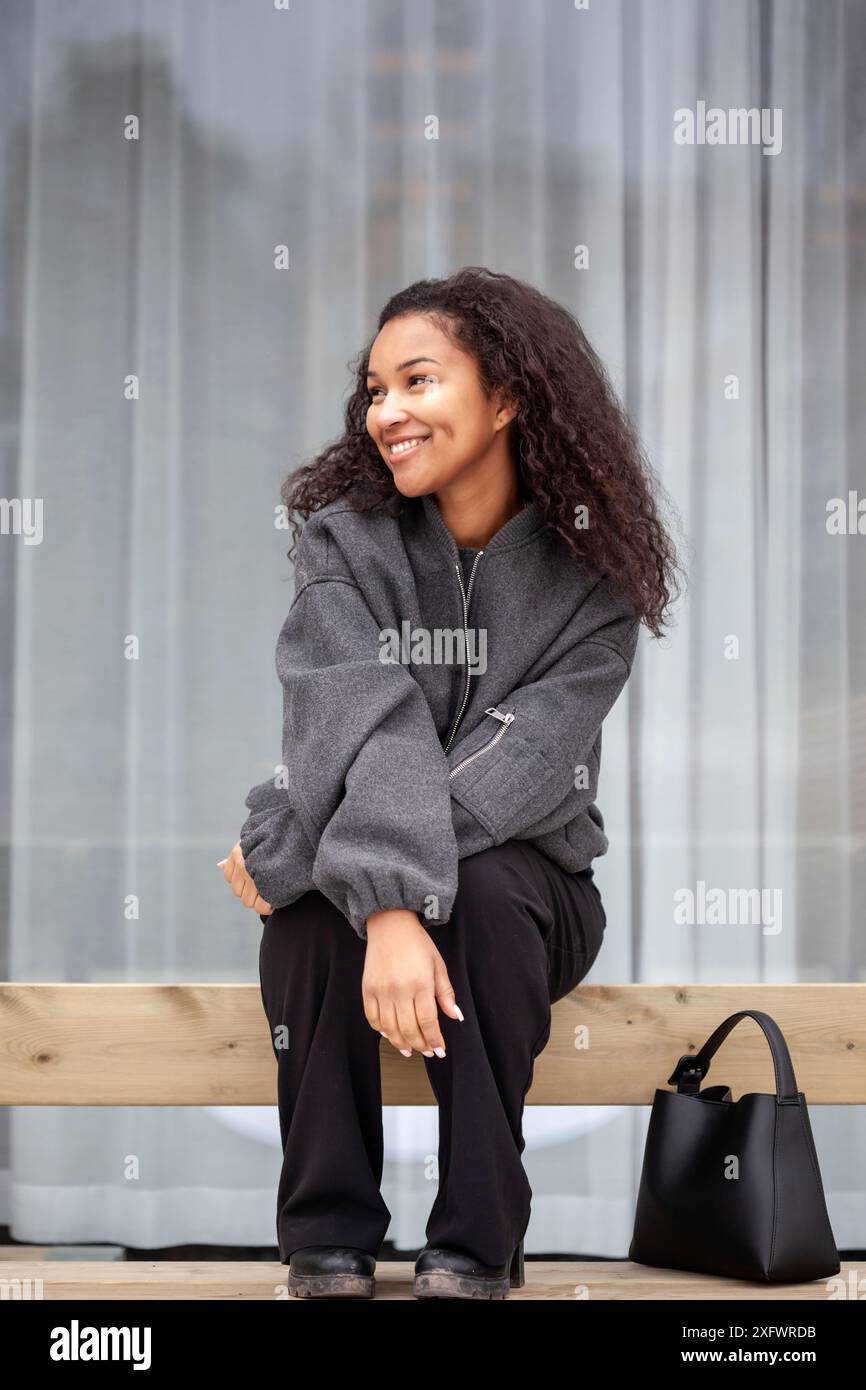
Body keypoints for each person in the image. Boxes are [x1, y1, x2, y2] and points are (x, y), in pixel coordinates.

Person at [219, 266, 684, 1299]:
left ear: (507, 394)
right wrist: (376, 899)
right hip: (375, 874)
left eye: (416, 381)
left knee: (466, 890)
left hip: (530, 892)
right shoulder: (346, 544)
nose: (387, 412)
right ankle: (327, 1236)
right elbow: (351, 713)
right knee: (303, 926)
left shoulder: (591, 581)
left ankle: (475, 1239)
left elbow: (519, 764)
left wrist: (294, 845)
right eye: (374, 391)